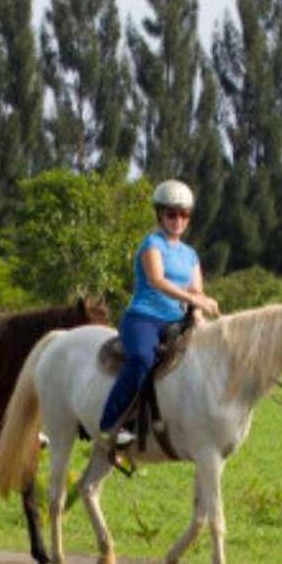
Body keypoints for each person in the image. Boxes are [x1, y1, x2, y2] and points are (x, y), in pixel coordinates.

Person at [99, 180, 219, 448]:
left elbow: (196, 290)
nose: (178, 220)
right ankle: (112, 422)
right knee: (142, 358)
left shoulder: (190, 255)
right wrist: (192, 298)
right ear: (160, 215)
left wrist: (199, 311)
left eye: (184, 214)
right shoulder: (152, 244)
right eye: (172, 214)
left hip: (178, 320)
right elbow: (157, 280)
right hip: (144, 317)